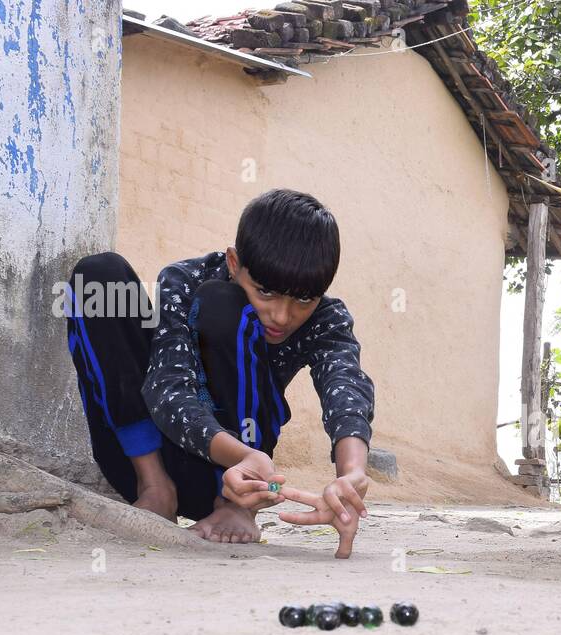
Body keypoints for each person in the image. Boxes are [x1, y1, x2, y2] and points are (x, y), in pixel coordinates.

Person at [64, 188, 375, 557]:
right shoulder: (184, 280)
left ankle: (235, 507)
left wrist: (351, 474)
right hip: (145, 456)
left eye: (303, 300)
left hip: (237, 478)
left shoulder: (327, 318)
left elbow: (345, 385)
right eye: (266, 293)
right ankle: (156, 489)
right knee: (99, 276)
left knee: (226, 306)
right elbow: (169, 387)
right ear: (233, 262)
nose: (281, 316)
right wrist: (235, 457)